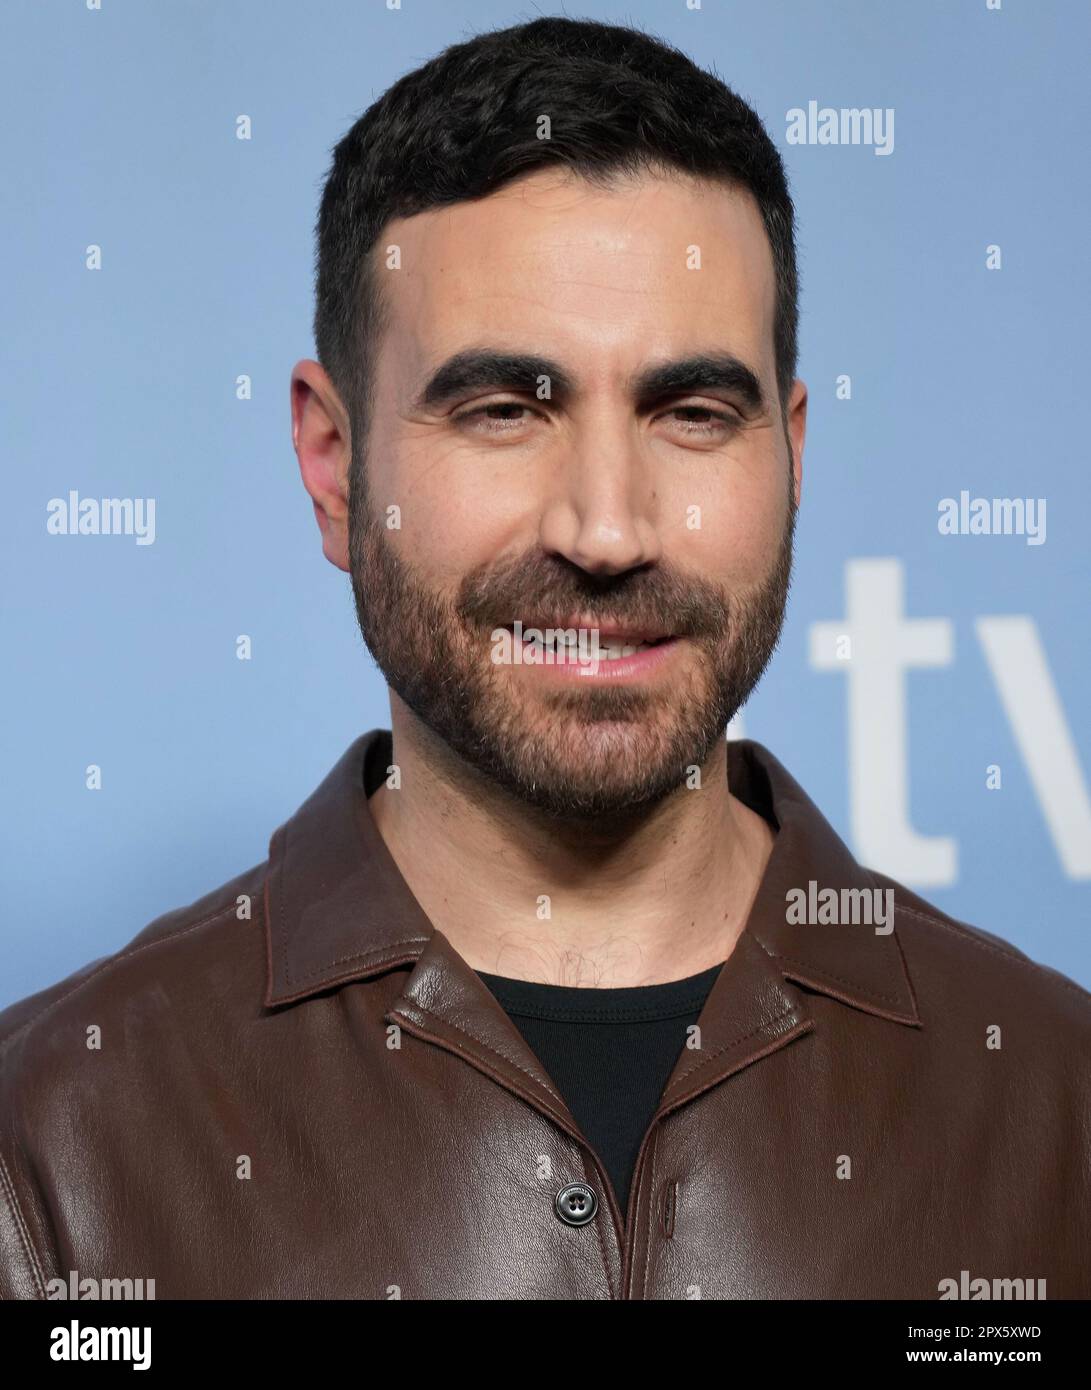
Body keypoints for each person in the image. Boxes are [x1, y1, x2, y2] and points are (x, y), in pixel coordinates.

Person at [2, 16, 1087, 1301]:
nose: (607, 529)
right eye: (504, 410)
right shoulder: (49, 1152)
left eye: (691, 414)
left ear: (790, 456)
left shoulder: (1056, 1105)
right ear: (334, 463)